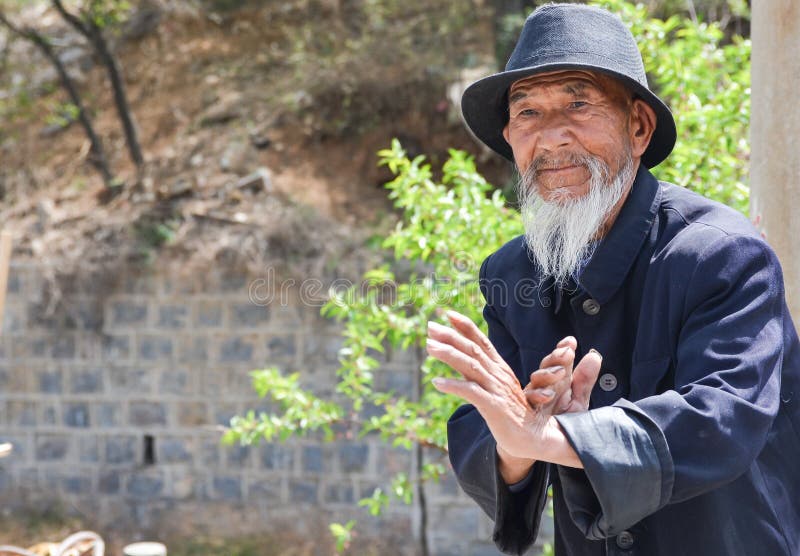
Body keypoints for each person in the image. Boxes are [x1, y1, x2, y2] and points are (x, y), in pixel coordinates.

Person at [425, 4, 800, 556]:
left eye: (578, 104)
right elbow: (491, 431)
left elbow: (722, 418)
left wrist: (559, 437)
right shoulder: (511, 272)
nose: (551, 138)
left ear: (639, 126)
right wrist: (520, 438)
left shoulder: (722, 255)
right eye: (527, 112)